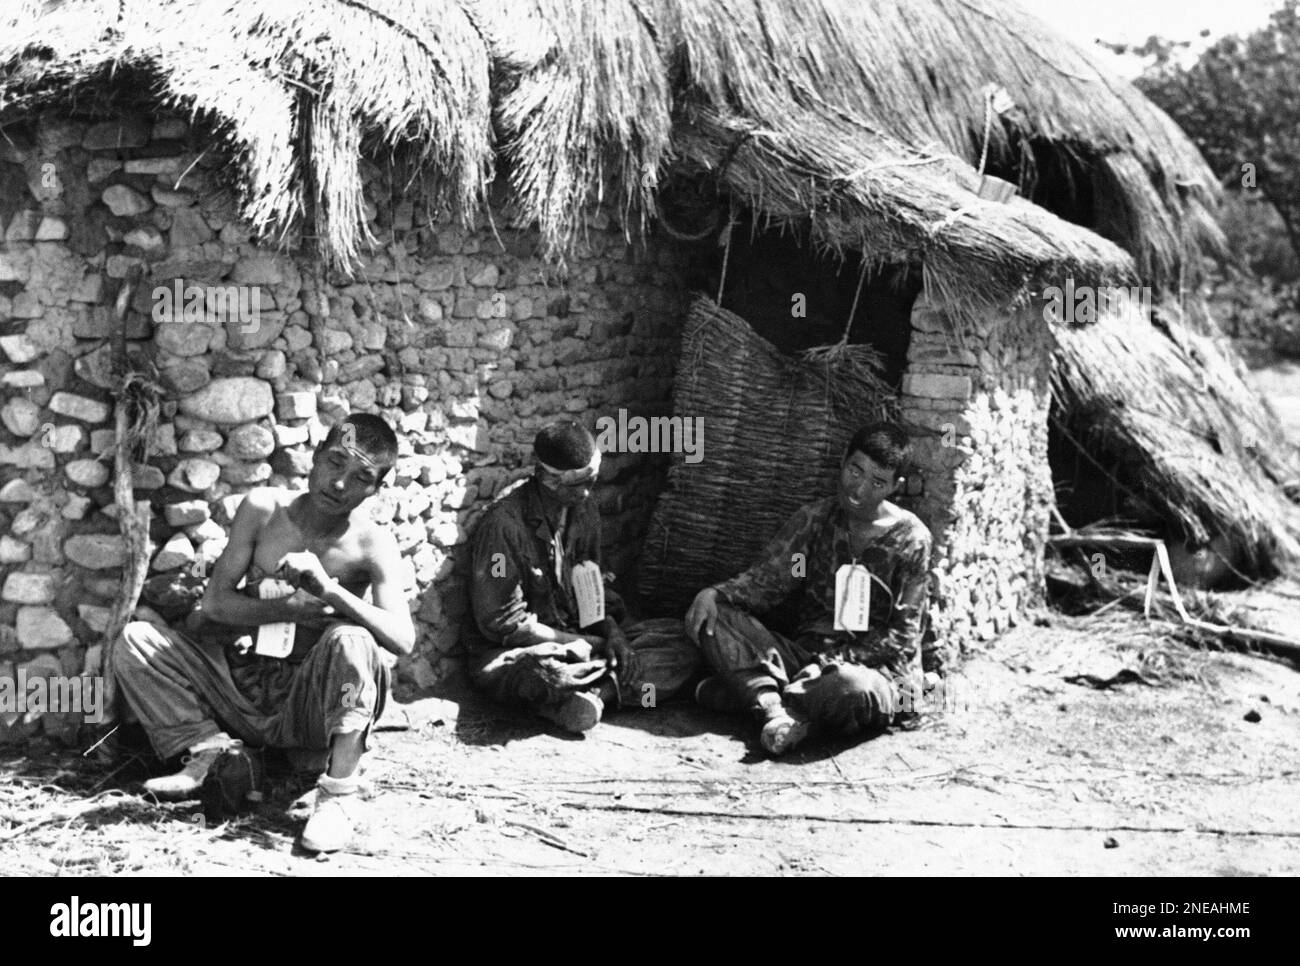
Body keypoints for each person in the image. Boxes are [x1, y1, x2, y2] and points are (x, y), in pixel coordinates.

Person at [113, 413, 414, 853]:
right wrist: (288, 607)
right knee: (137, 640)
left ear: (375, 489)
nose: (339, 483)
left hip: (309, 706)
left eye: (361, 477)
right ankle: (211, 752)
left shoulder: (372, 543)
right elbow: (215, 603)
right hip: (242, 686)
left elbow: (402, 640)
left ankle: (338, 795)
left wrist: (329, 592)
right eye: (334, 463)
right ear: (313, 458)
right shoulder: (263, 510)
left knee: (353, 641)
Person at [685, 422, 934, 756]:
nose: (859, 490)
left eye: (877, 482)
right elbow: (771, 580)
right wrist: (718, 594)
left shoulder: (911, 539)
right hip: (804, 657)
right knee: (717, 619)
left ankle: (759, 697)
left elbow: (902, 635)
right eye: (854, 471)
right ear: (843, 461)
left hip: (875, 671)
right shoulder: (815, 519)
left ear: (895, 487)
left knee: (850, 688)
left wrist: (834, 662)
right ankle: (778, 709)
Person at [465, 420, 700, 733]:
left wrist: (612, 634)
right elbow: (504, 626)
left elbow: (590, 585)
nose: (587, 493)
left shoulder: (585, 510)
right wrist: (581, 642)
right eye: (577, 486)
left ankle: (595, 696)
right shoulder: (503, 526)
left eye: (592, 482)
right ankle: (593, 689)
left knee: (684, 639)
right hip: (524, 650)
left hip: (581, 639)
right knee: (541, 671)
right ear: (548, 479)